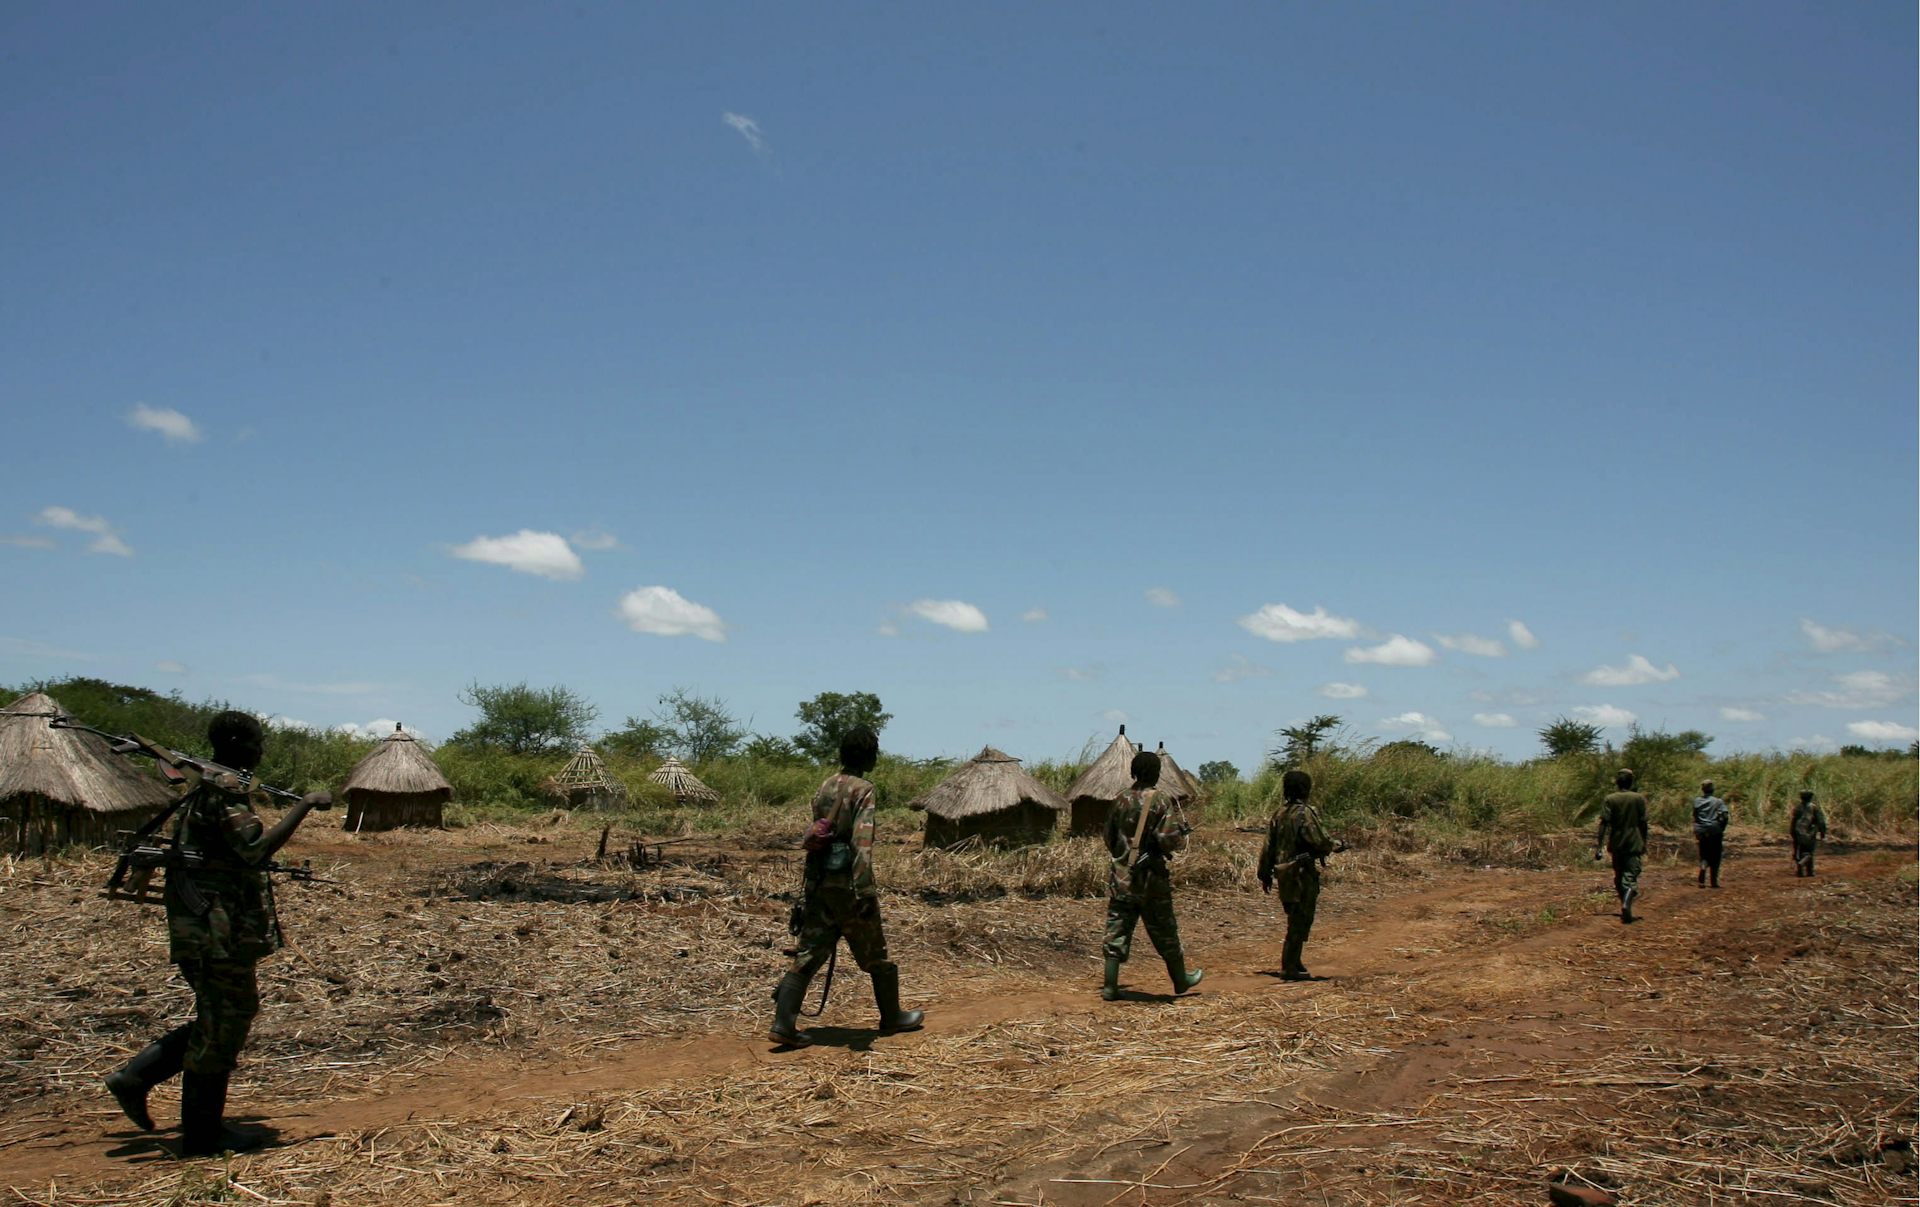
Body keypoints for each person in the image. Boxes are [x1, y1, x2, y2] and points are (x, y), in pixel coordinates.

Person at [103, 711, 331, 1157]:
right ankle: (202, 1134)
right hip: (215, 927)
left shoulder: (208, 785)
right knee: (225, 1017)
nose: (260, 750)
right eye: (255, 742)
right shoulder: (222, 789)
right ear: (234, 742)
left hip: (209, 921)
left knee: (227, 1011)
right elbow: (254, 849)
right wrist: (303, 804)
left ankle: (137, 1078)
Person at [769, 725, 923, 1046]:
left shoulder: (825, 786)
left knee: (811, 950)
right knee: (874, 951)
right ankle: (892, 1016)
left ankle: (784, 1023)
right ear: (869, 755)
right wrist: (865, 892)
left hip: (817, 881)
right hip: (847, 886)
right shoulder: (864, 789)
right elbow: (861, 843)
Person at [1101, 750, 1203, 1000]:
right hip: (1151, 881)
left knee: (1117, 929)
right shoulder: (1160, 801)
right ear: (1156, 773)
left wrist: (1124, 858)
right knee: (1164, 929)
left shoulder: (1120, 799)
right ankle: (1180, 980)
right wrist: (1177, 836)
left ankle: (1110, 986)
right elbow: (1166, 839)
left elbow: (1109, 836)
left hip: (1122, 879)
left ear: (1133, 771)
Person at [1258, 769, 1337, 981]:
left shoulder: (1279, 813)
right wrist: (1335, 846)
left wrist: (1264, 874)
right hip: (1301, 874)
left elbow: (1268, 847)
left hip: (1283, 873)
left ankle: (1295, 960)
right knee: (1301, 919)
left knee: (1294, 916)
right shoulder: (1305, 813)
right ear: (1305, 790)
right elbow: (1319, 841)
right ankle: (1289, 966)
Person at [1594, 768, 1649, 923]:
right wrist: (1644, 842)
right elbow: (1643, 823)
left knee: (1619, 876)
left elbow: (1603, 824)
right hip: (1633, 842)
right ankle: (1626, 904)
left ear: (1617, 782)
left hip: (1616, 842)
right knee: (1631, 875)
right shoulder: (1638, 799)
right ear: (1631, 782)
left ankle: (1625, 904)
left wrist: (1599, 847)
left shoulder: (1610, 799)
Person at [1691, 779, 1730, 888]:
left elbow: (1695, 815)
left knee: (1704, 854)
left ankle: (1702, 875)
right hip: (1714, 830)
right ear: (1712, 789)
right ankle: (1713, 881)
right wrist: (1722, 827)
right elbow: (1725, 816)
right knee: (1716, 855)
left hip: (1701, 831)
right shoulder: (1718, 801)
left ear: (1702, 789)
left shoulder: (1697, 801)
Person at [1790, 789, 1828, 877]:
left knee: (1799, 851)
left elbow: (1793, 821)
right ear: (1811, 797)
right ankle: (1805, 867)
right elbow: (1821, 822)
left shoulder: (1797, 807)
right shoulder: (1814, 807)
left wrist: (1792, 832)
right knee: (1809, 852)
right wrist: (1823, 833)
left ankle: (1801, 871)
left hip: (1797, 831)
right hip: (1809, 832)